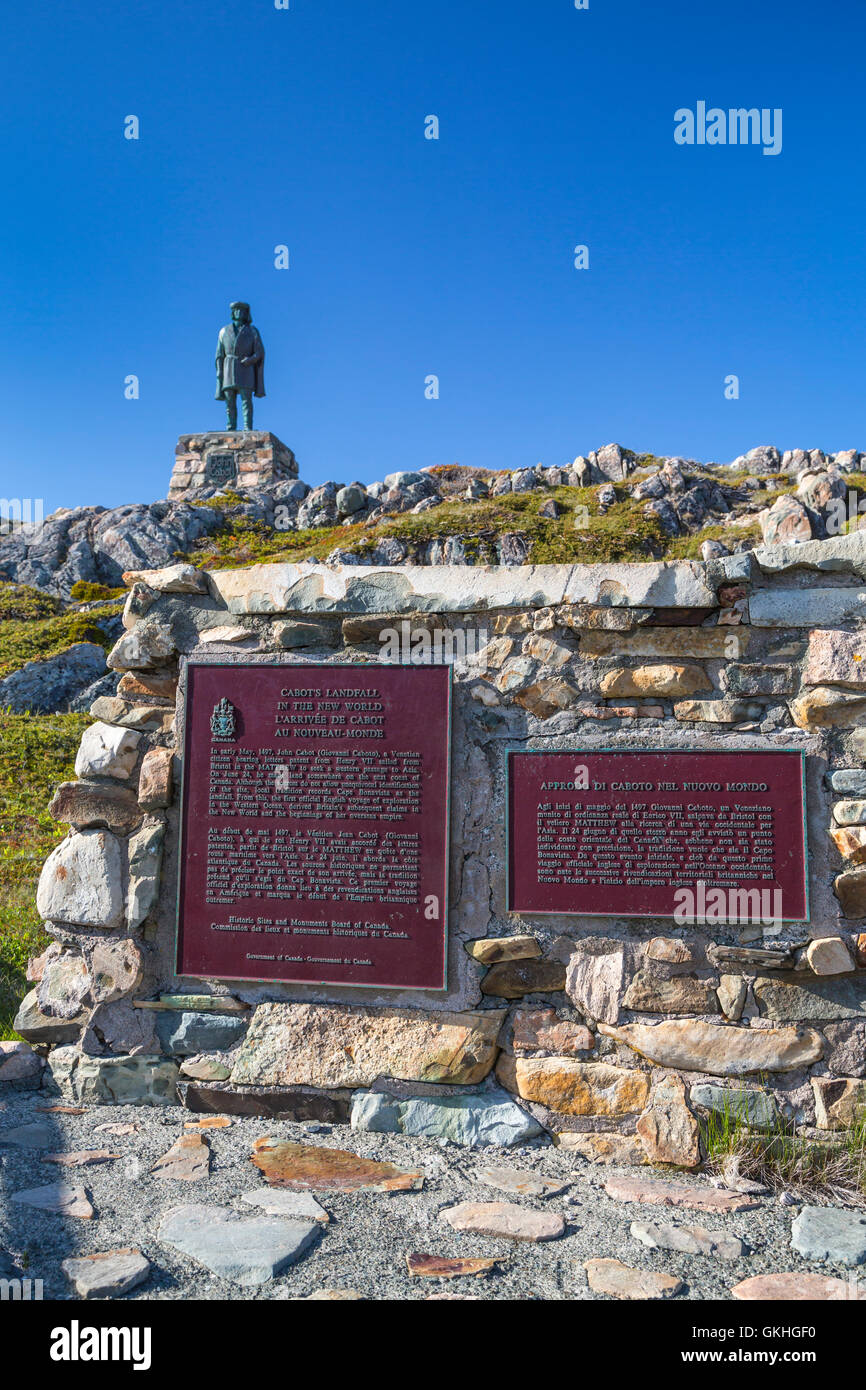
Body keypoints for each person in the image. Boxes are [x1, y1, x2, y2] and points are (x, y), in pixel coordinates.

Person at [215, 301, 265, 430]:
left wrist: (250, 360)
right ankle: (231, 426)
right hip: (228, 368)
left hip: (245, 369)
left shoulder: (252, 331)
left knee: (246, 401)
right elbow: (219, 354)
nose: (239, 313)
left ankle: (247, 426)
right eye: (236, 310)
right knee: (229, 401)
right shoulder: (224, 331)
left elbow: (260, 352)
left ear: (246, 314)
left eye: (242, 311)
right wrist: (219, 371)